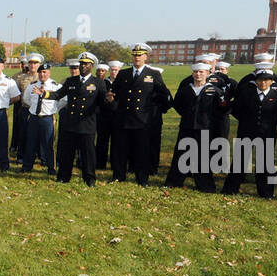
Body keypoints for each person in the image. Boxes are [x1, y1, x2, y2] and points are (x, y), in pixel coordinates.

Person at [109, 43, 172, 185]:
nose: (137, 57)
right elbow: (114, 92)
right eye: (135, 55)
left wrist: (155, 112)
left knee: (142, 151)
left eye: (140, 55)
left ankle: (142, 178)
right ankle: (118, 176)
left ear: (146, 57)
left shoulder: (153, 74)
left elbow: (164, 95)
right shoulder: (123, 74)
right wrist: (112, 101)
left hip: (142, 120)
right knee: (120, 150)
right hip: (124, 118)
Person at [222, 67, 277, 199]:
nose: (263, 83)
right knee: (239, 161)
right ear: (256, 81)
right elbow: (235, 109)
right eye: (260, 80)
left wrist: (271, 123)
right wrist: (246, 121)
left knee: (265, 163)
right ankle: (230, 189)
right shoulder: (247, 93)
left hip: (267, 133)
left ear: (271, 82)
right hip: (246, 131)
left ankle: (265, 192)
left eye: (266, 80)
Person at [44, 51, 106, 186]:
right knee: (67, 153)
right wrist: (45, 94)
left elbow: (103, 103)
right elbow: (58, 94)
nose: (83, 66)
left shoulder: (98, 83)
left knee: (88, 154)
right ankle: (63, 176)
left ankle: (89, 178)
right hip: (71, 124)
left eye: (86, 64)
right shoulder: (71, 81)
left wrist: (109, 100)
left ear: (92, 66)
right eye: (81, 64)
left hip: (87, 124)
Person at [163, 62, 225, 192]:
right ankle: (174, 181)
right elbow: (178, 105)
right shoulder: (186, 89)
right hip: (187, 127)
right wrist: (187, 116)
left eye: (201, 72)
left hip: (205, 128)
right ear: (192, 74)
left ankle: (205, 185)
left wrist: (208, 119)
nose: (198, 74)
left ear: (207, 74)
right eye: (196, 72)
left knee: (203, 157)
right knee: (181, 154)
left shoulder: (214, 91)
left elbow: (221, 109)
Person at [22, 62, 61, 174]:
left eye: (44, 72)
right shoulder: (32, 86)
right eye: (40, 72)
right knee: (30, 142)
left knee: (49, 144)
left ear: (49, 72)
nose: (42, 75)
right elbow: (26, 99)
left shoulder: (55, 86)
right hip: (34, 117)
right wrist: (34, 108)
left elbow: (63, 100)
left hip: (47, 118)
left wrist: (54, 109)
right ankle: (27, 166)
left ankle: (51, 168)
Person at [12, 53, 42, 159]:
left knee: (38, 133)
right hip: (25, 108)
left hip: (39, 110)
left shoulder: (42, 77)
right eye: (31, 63)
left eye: (35, 63)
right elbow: (17, 93)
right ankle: (21, 154)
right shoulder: (22, 78)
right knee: (23, 132)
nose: (33, 65)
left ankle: (38, 154)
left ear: (40, 64)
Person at [94, 61, 118, 168]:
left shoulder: (120, 82)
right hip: (103, 115)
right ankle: (100, 162)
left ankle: (114, 162)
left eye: (103, 71)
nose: (100, 73)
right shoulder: (103, 83)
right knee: (102, 140)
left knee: (116, 141)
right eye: (99, 70)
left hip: (116, 115)